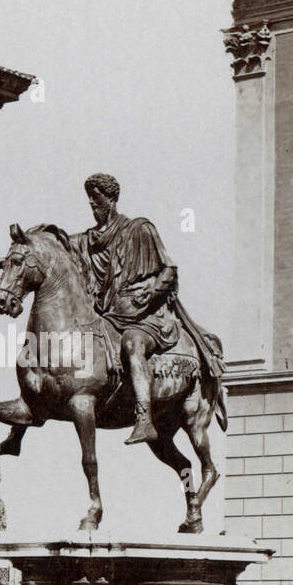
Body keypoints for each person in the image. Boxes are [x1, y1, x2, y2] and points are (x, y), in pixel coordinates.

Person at [72, 173, 221, 444]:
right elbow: (54, 248)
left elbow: (169, 269)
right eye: (90, 202)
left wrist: (152, 291)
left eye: (97, 201)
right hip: (111, 317)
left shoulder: (140, 229)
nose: (93, 207)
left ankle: (143, 419)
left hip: (148, 317)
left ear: (112, 199)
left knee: (131, 343)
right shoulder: (87, 240)